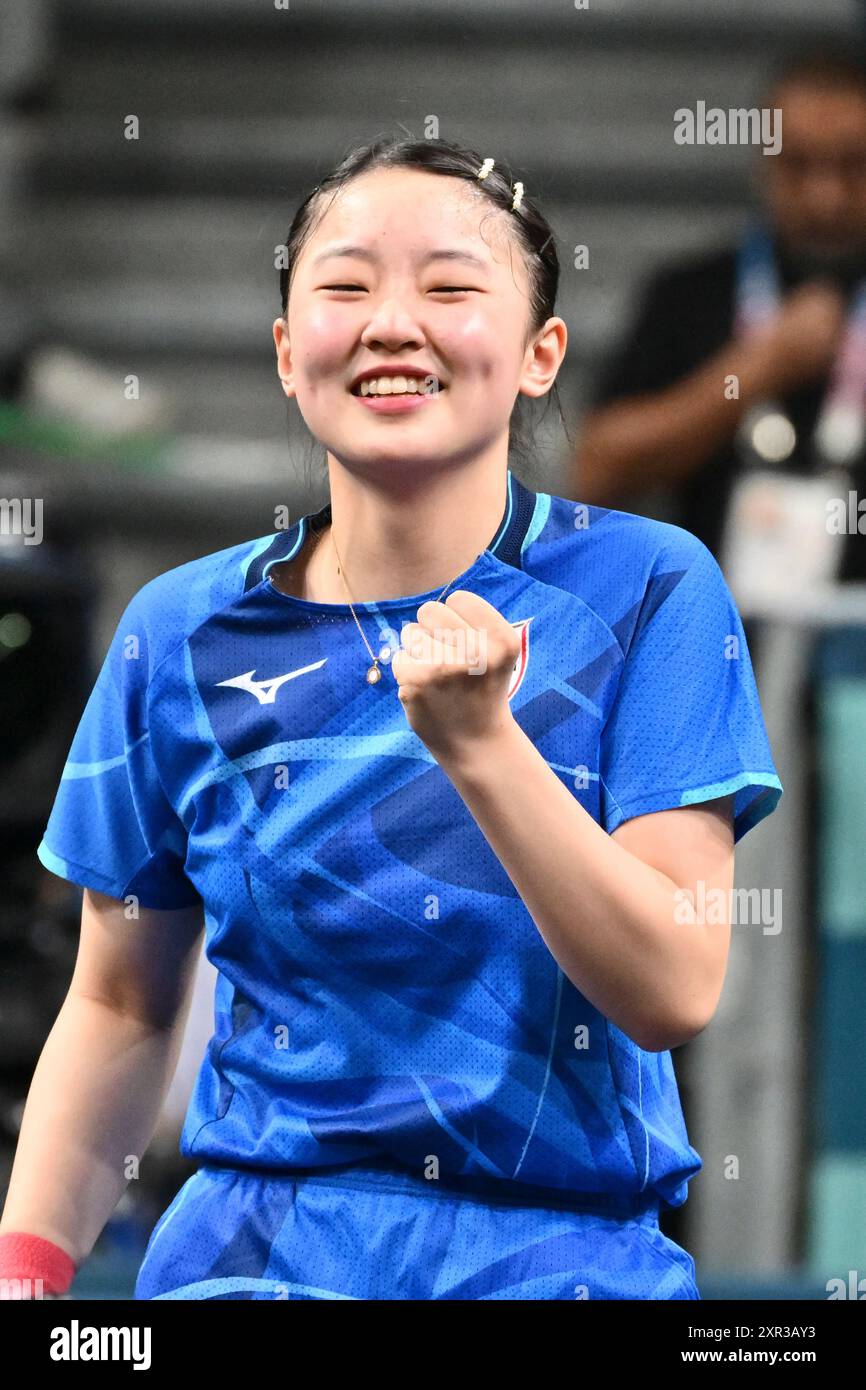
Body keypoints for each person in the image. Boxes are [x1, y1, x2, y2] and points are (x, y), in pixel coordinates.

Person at [0, 137, 782, 1302]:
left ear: (537, 354)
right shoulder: (180, 628)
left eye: (451, 287)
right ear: (284, 352)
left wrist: (481, 748)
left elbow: (668, 983)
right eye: (346, 285)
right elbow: (119, 1000)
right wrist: (29, 1274)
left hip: (555, 1257)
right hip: (249, 1258)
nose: (391, 322)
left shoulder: (648, 587)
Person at [572, 47, 866, 583]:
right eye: (799, 165)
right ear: (763, 164)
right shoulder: (691, 292)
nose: (828, 197)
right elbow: (594, 470)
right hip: (712, 636)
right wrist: (757, 369)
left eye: (854, 165)